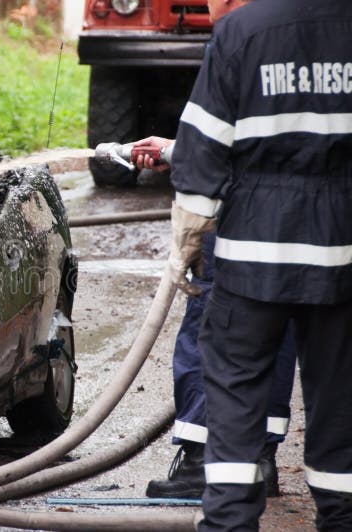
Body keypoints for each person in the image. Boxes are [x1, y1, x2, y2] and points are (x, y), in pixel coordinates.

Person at [148, 0, 352, 529]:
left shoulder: (243, 31)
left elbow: (202, 148)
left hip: (251, 259)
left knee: (237, 392)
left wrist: (186, 242)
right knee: (339, 398)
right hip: (341, 257)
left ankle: (230, 521)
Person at [131, 136, 299, 499]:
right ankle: (258, 461)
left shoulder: (238, 75)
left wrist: (184, 153)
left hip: (242, 205)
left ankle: (202, 462)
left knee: (213, 322)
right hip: (306, 211)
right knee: (277, 322)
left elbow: (217, 131)